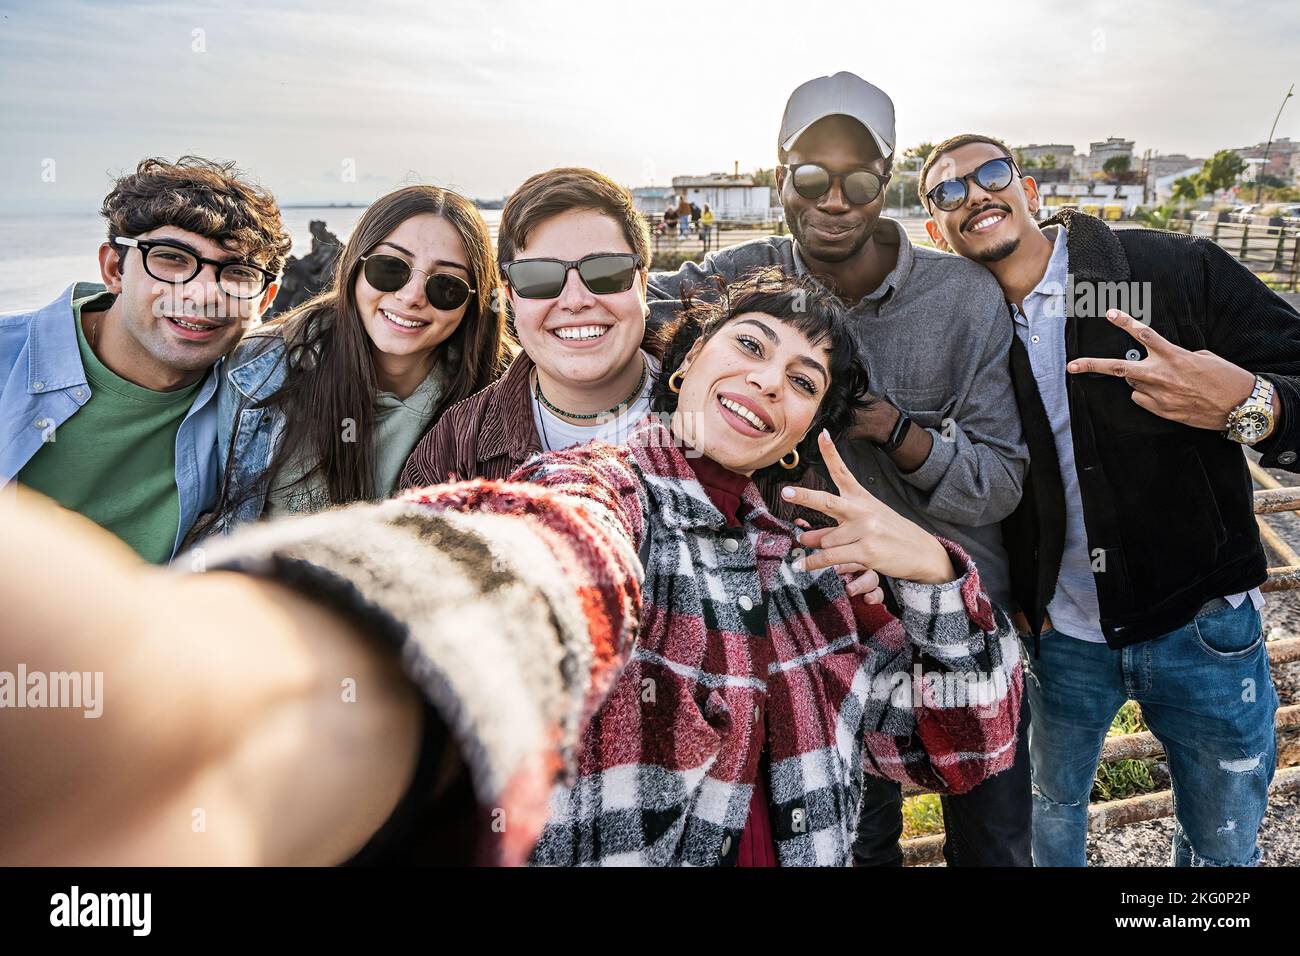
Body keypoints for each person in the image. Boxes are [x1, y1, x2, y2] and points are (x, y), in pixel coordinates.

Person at [2, 270, 1022, 867]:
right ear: (687, 358)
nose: (769, 380)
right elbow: (538, 549)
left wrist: (933, 570)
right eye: (748, 345)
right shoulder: (606, 483)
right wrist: (275, 675)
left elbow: (960, 750)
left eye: (803, 380)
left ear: (805, 423)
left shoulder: (813, 566)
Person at [648, 72, 1032, 867]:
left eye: (857, 178)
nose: (833, 198)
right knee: (852, 845)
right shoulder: (741, 275)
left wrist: (889, 428)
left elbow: (998, 480)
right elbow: (622, 303)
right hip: (819, 631)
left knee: (994, 842)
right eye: (810, 176)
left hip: (953, 626)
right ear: (780, 177)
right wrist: (700, 360)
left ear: (885, 181)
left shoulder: (962, 296)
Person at [919, 132, 1300, 866]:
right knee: (1051, 819)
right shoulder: (967, 331)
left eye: (990, 173)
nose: (975, 194)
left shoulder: (1161, 273)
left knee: (1222, 846)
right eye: (947, 191)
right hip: (1058, 642)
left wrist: (1250, 405)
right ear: (937, 230)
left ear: (1029, 191)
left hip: (1202, 629)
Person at [0, 156, 288, 563]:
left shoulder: (264, 401)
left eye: (238, 272)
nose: (204, 293)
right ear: (114, 268)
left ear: (265, 300)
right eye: (171, 258)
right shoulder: (8, 359)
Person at [199, 185, 510, 534]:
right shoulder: (261, 369)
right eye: (390, 268)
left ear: (474, 302)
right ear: (353, 267)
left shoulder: (504, 391)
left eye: (446, 285)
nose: (410, 297)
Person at [401, 168, 657, 484]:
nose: (575, 300)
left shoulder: (717, 401)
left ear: (642, 287)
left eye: (606, 273)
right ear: (511, 298)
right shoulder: (450, 454)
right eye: (539, 278)